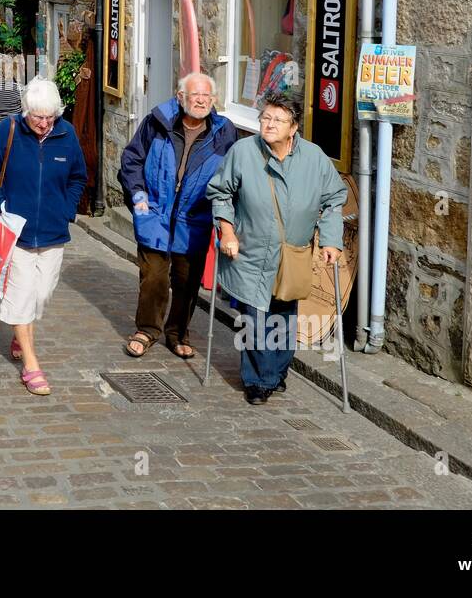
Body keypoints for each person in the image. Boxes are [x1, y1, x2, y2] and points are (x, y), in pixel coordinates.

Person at [205, 93, 347, 405]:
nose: (269, 125)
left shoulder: (314, 158)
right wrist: (226, 230)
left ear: (293, 127)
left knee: (284, 317)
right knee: (255, 318)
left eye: (277, 120)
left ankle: (276, 372)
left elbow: (335, 198)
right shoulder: (243, 152)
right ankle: (258, 381)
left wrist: (332, 240)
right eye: (265, 118)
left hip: (292, 255)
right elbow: (220, 192)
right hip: (249, 253)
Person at [0, 77, 88, 396]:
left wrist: (67, 209)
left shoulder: (66, 136)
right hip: (16, 235)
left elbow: (78, 177)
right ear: (26, 112)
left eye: (50, 117)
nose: (44, 123)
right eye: (38, 117)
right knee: (21, 294)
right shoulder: (8, 130)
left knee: (42, 294)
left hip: (53, 232)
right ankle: (31, 364)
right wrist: (1, 208)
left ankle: (19, 329)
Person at [118, 73, 236, 359]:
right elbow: (132, 159)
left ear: (214, 100)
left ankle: (177, 332)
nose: (200, 100)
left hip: (194, 217)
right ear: (180, 96)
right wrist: (137, 194)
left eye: (206, 96)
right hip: (155, 211)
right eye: (194, 95)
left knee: (187, 281)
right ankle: (146, 330)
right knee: (154, 277)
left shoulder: (224, 132)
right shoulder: (157, 122)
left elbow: (233, 174)